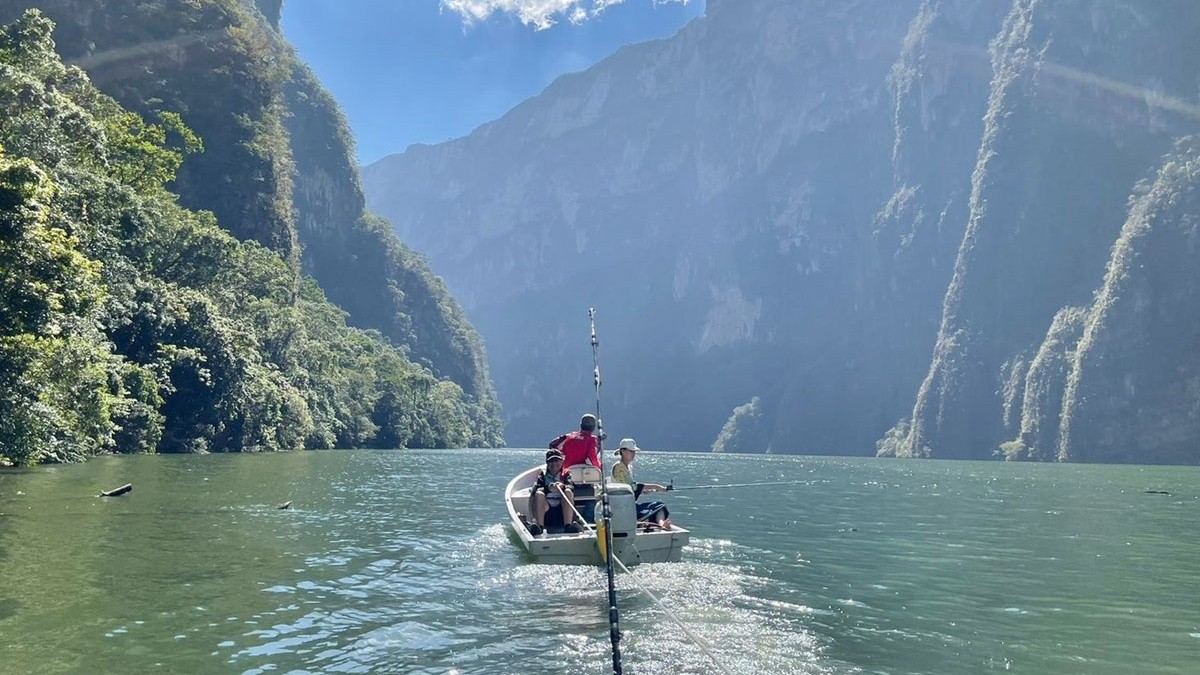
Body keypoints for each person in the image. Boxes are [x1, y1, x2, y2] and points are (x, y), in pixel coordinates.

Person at [611, 437, 673, 530]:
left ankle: (661, 524)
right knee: (648, 511)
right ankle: (646, 523)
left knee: (660, 506)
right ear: (623, 451)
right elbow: (632, 486)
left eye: (634, 451)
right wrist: (656, 487)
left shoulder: (629, 467)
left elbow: (633, 488)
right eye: (631, 451)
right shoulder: (618, 467)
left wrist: (643, 491)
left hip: (630, 504)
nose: (633, 454)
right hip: (622, 506)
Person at [527, 449, 583, 536]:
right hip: (547, 509)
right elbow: (537, 488)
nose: (554, 464)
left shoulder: (566, 474)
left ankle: (568, 526)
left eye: (557, 461)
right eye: (551, 461)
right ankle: (540, 527)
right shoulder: (543, 474)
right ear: (547, 463)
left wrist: (562, 486)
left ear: (562, 462)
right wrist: (548, 488)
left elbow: (571, 486)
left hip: (562, 509)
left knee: (568, 492)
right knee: (539, 494)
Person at [547, 413, 601, 479]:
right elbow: (592, 458)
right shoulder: (593, 440)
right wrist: (600, 468)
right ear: (593, 427)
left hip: (567, 473)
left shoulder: (570, 436)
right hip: (583, 475)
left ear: (581, 425)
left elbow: (552, 445)